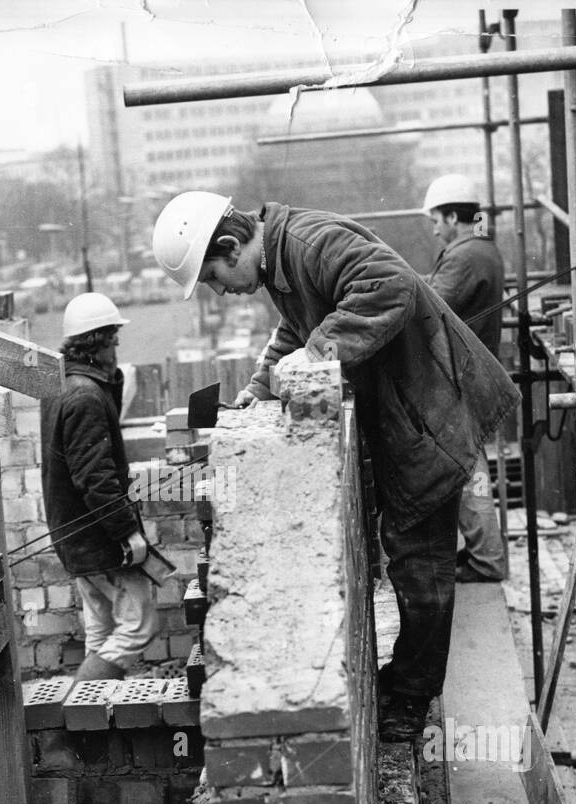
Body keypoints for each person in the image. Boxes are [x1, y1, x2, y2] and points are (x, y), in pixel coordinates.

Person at [151, 191, 517, 739]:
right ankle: (409, 676)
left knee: (420, 559)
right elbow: (297, 330)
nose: (222, 291)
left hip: (428, 411)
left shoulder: (306, 242)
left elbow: (388, 284)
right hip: (406, 414)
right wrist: (258, 388)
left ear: (230, 246)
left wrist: (319, 353)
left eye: (214, 278)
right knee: (409, 552)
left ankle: (414, 697)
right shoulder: (282, 262)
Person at [40, 292, 157, 682]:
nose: (117, 350)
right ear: (99, 342)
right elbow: (95, 477)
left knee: (102, 630)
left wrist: (114, 377)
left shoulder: (67, 386)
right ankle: (80, 702)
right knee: (137, 625)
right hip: (98, 536)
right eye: (114, 341)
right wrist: (128, 532)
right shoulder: (85, 397)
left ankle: (93, 726)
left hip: (75, 534)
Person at [424, 173, 509, 583]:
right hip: (473, 375)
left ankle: (486, 560)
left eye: (437, 218)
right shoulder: (483, 250)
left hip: (460, 380)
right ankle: (482, 554)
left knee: (467, 469)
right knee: (470, 467)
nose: (434, 227)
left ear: (455, 216)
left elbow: (427, 308)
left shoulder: (463, 257)